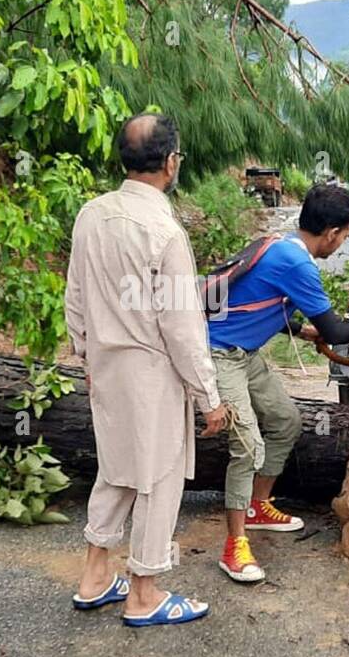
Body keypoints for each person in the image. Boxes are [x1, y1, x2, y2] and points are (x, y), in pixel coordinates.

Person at [65, 112, 228, 627]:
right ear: (171, 163)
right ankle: (145, 592)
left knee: (116, 468)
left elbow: (75, 295)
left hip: (107, 367)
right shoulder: (164, 232)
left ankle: (94, 578)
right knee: (156, 478)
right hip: (152, 374)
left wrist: (85, 354)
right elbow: (182, 327)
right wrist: (209, 396)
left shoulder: (91, 214)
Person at [208, 183, 349, 582]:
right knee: (247, 446)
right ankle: (233, 547)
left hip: (246, 354)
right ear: (332, 232)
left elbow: (253, 300)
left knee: (286, 420)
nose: (340, 244)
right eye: (344, 237)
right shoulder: (299, 263)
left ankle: (257, 506)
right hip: (219, 354)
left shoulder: (280, 246)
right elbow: (337, 330)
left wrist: (296, 328)